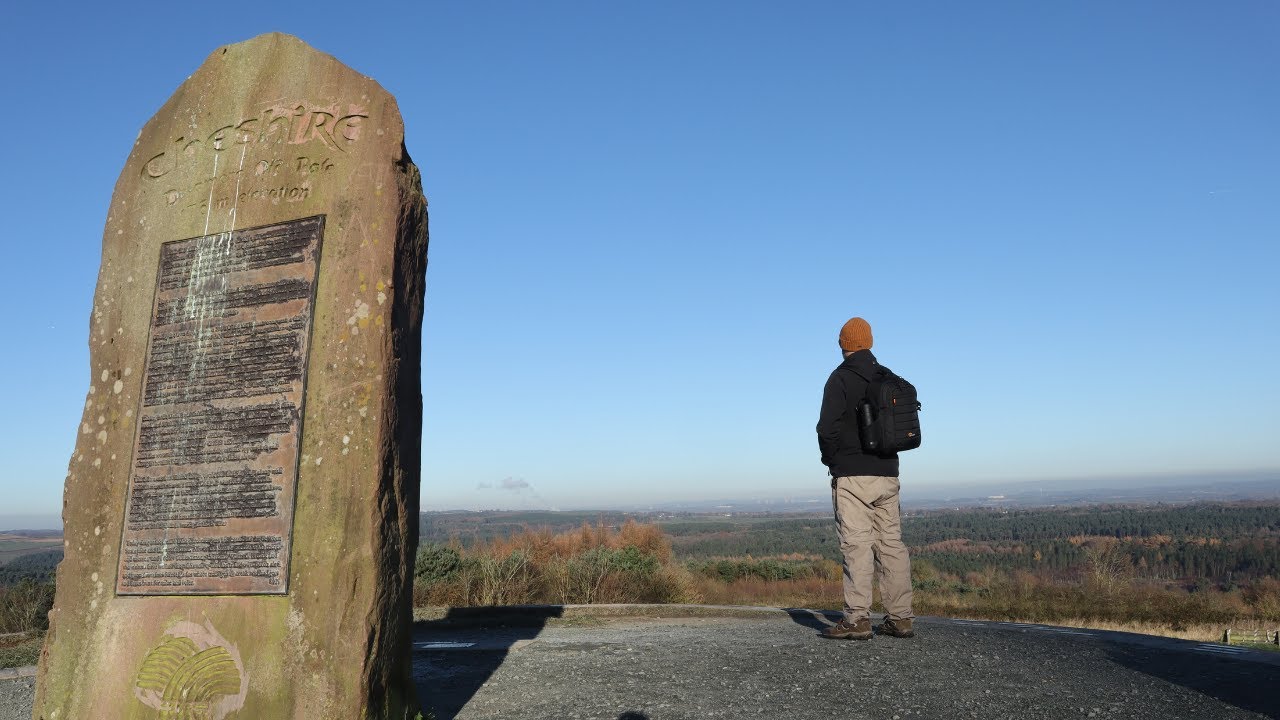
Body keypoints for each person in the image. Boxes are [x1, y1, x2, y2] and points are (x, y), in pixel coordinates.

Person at [815, 316, 915, 640]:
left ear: (843, 345)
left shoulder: (839, 380)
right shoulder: (886, 377)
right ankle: (900, 618)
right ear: (869, 342)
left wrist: (832, 462)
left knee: (856, 545)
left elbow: (826, 429)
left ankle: (857, 619)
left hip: (852, 477)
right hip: (888, 474)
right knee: (891, 545)